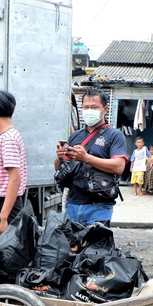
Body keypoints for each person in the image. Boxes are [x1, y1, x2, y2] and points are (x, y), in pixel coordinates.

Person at [54, 88, 128, 226]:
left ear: (105, 110)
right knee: (72, 246)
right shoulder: (75, 136)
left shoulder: (114, 135)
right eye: (86, 107)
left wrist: (86, 158)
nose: (89, 111)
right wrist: (59, 157)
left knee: (95, 247)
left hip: (99, 205)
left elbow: (119, 166)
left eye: (94, 107)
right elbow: (59, 167)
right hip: (73, 203)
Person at [0, 90, 27, 238]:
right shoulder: (9, 136)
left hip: (5, 205)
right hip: (2, 204)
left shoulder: (8, 139)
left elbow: (15, 178)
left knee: (1, 254)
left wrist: (4, 217)